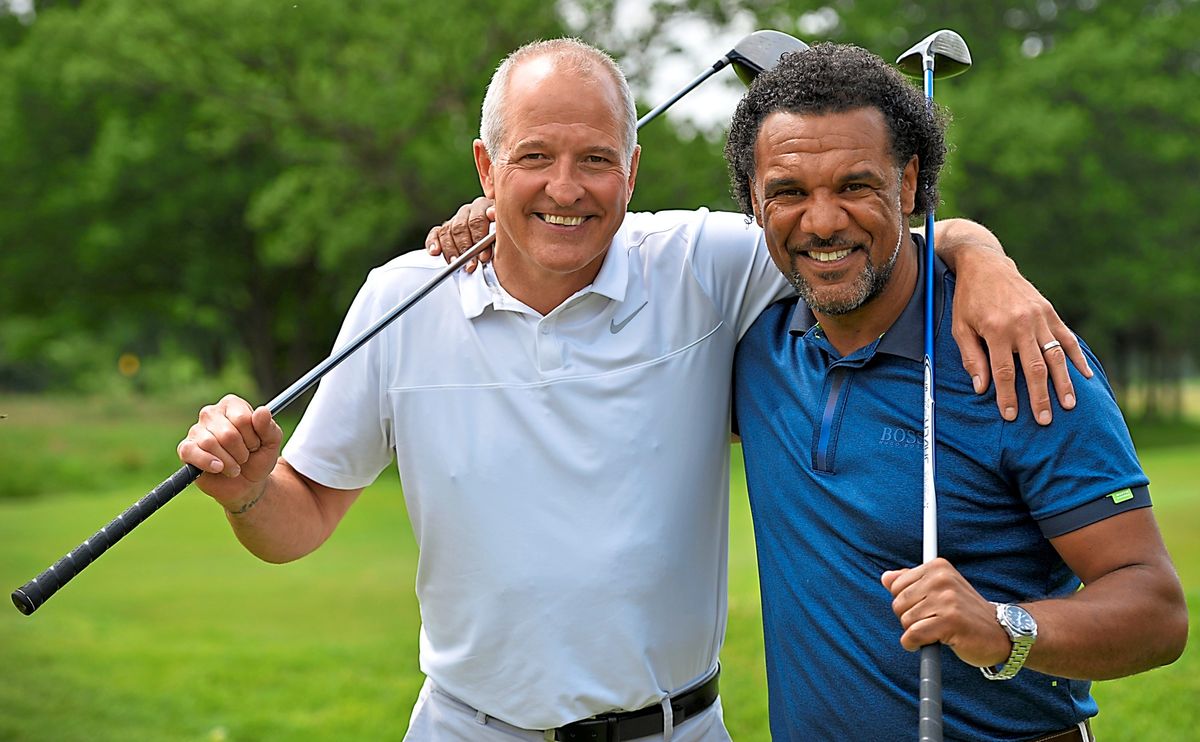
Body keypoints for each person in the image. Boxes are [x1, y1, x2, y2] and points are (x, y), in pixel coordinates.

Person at [180, 39, 1085, 740]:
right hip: (465, 723)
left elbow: (856, 235)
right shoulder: (400, 300)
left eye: (596, 159)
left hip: (676, 724)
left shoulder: (704, 265)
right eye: (533, 158)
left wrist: (978, 252)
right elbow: (299, 519)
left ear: (634, 168)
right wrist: (250, 489)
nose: (565, 189)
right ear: (485, 169)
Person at [725, 43, 1188, 740]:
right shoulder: (752, 344)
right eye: (789, 193)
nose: (822, 222)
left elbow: (1155, 608)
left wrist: (1003, 627)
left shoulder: (1019, 355)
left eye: (855, 186)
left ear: (908, 185)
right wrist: (497, 231)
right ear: (754, 204)